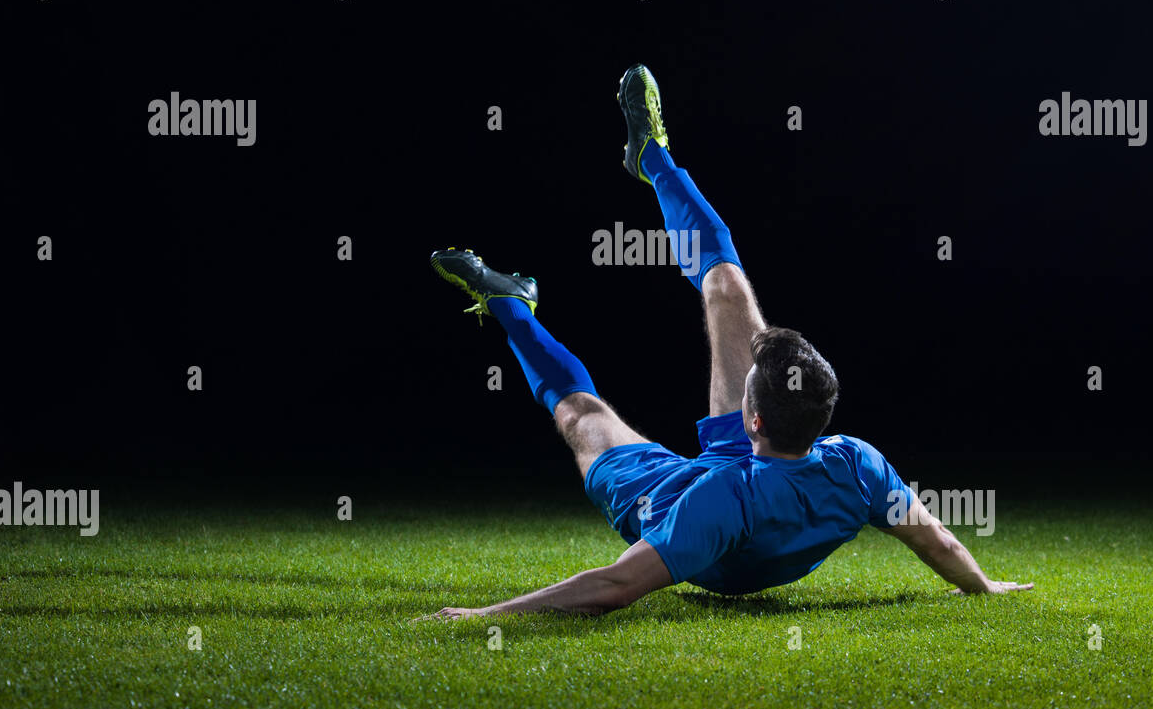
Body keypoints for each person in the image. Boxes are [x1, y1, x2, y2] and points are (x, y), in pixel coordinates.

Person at [428, 65, 1032, 618]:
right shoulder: (856, 464)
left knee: (580, 413)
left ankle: (511, 304)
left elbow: (615, 587)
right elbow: (937, 538)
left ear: (752, 419)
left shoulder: (722, 497)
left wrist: (487, 616)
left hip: (667, 501)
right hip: (746, 476)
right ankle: (653, 158)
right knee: (726, 283)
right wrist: (981, 585)